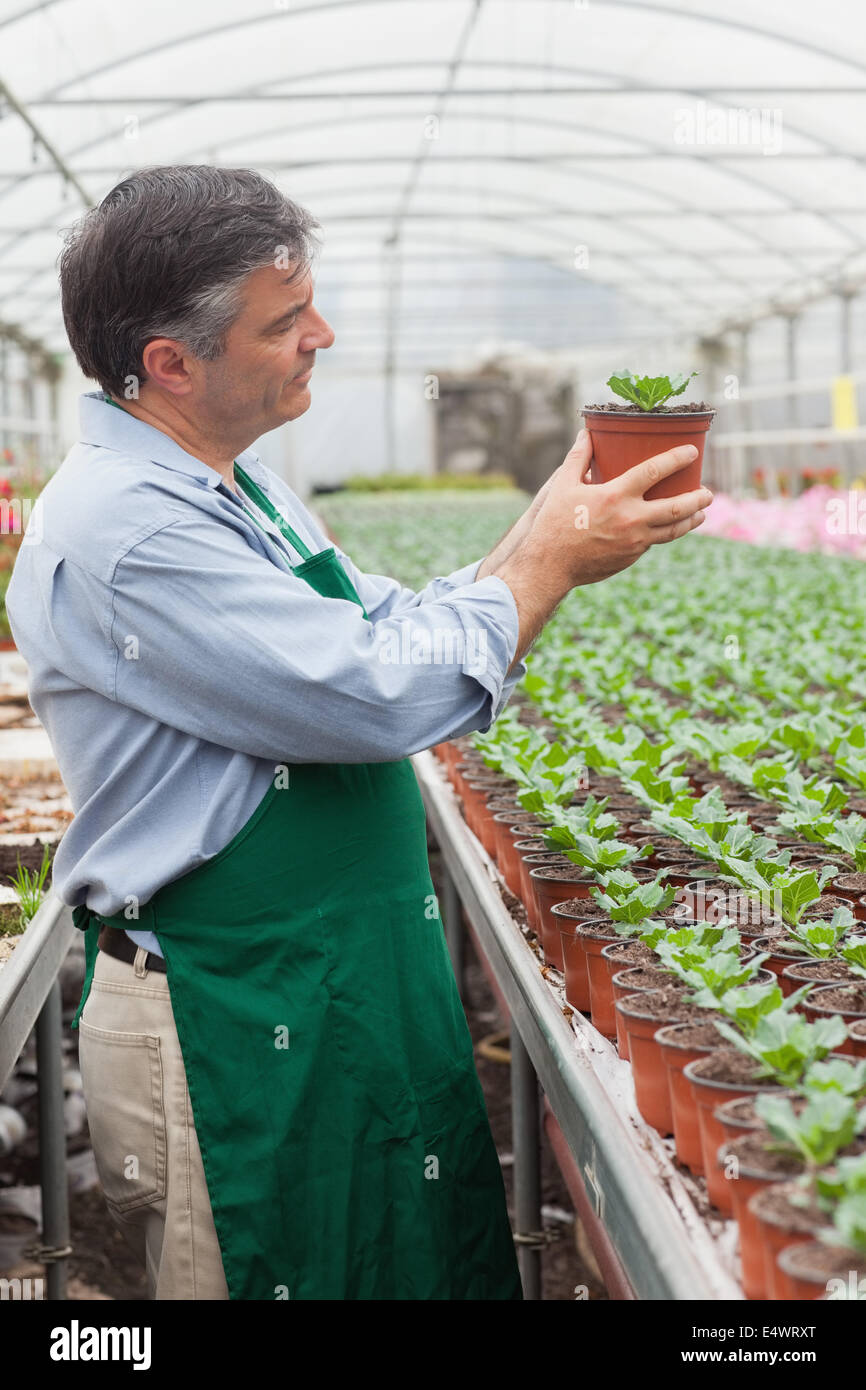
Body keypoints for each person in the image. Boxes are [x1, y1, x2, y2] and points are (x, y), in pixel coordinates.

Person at [5, 165, 712, 1301]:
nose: (321, 335)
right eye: (285, 323)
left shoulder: (229, 484)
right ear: (171, 362)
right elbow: (373, 693)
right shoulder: (125, 526)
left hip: (328, 981)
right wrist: (545, 565)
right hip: (232, 1005)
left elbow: (386, 625)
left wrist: (549, 527)